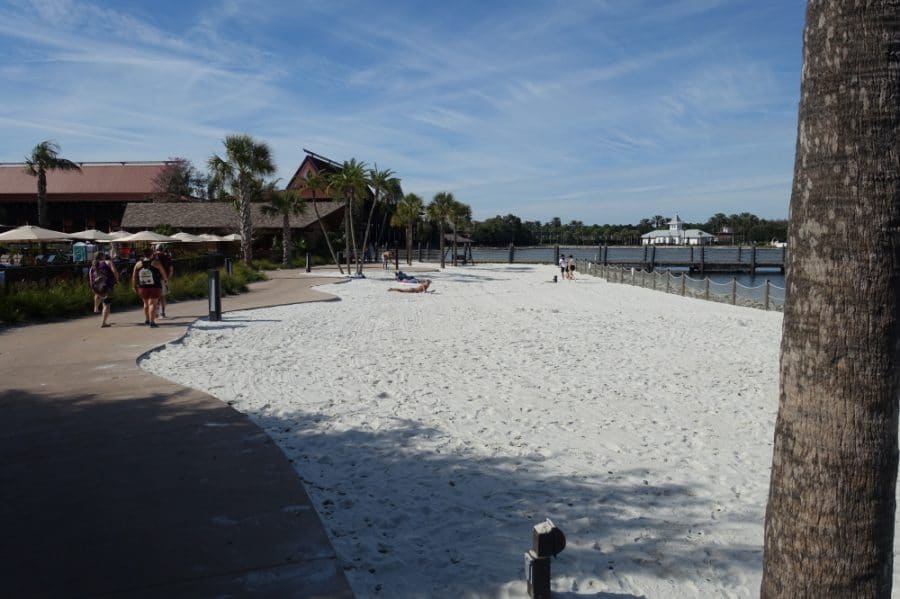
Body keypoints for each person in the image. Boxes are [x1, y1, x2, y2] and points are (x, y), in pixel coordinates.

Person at [132, 247, 168, 328]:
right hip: (155, 286)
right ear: (152, 254)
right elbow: (163, 273)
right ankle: (152, 322)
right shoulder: (156, 263)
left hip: (142, 286)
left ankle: (147, 320)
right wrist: (166, 281)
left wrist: (134, 286)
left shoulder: (138, 264)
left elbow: (134, 277)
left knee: (145, 303)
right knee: (152, 304)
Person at [89, 251, 119, 327]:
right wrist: (117, 280)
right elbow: (115, 272)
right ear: (103, 256)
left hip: (96, 287)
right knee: (106, 305)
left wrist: (93, 287)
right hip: (107, 285)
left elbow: (90, 278)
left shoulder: (93, 266)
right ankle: (103, 323)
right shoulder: (108, 262)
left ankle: (95, 308)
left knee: (99, 296)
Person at [153, 247, 175, 318]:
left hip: (154, 279)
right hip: (163, 279)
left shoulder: (154, 257)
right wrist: (167, 278)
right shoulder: (167, 257)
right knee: (162, 296)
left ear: (156, 249)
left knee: (155, 297)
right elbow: (171, 270)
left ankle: (156, 312)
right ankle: (163, 312)